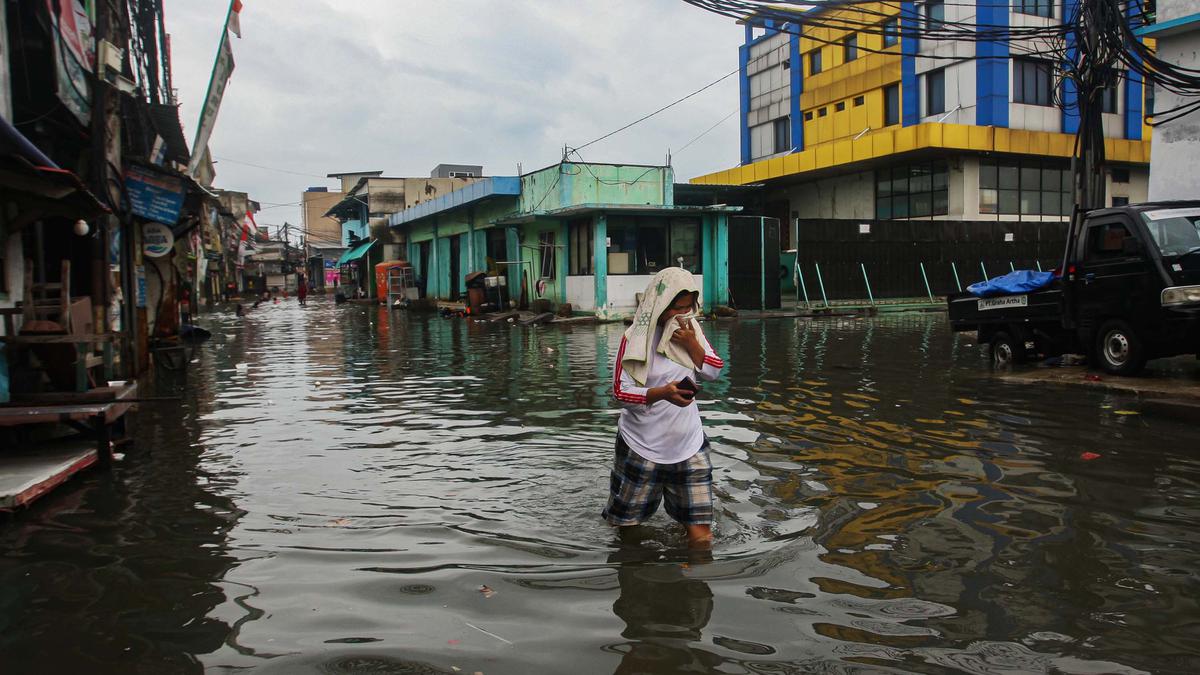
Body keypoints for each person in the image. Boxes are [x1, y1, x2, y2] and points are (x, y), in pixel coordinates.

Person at [603, 267, 726, 549]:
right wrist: (662, 394)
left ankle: (693, 583)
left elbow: (713, 372)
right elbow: (620, 393)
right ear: (660, 305)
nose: (682, 316)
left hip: (688, 443)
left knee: (701, 532)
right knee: (627, 525)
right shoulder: (633, 340)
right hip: (641, 444)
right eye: (676, 309)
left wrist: (693, 344)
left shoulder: (690, 331)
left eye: (688, 308)